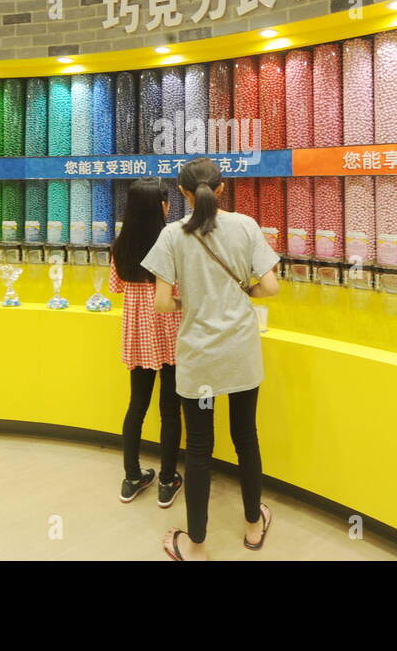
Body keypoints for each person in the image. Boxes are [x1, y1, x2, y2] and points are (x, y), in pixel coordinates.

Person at [140, 157, 281, 561]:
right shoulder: (246, 226)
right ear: (221, 190)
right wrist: (246, 294)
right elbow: (271, 287)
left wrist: (193, 301)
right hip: (240, 355)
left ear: (183, 193)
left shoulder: (172, 235)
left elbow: (164, 304)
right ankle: (254, 525)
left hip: (200, 360)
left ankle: (197, 544)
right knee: (246, 438)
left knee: (199, 449)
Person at [110, 178, 184, 508]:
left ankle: (132, 477)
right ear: (162, 207)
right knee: (170, 409)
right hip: (170, 332)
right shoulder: (172, 244)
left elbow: (116, 287)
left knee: (136, 405)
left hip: (138, 334)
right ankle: (167, 481)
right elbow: (181, 291)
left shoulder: (120, 245)